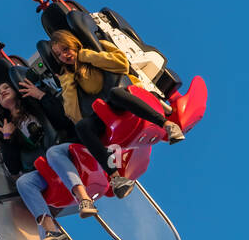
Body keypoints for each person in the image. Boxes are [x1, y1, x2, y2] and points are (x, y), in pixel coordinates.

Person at [49, 29, 184, 198]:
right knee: (82, 127)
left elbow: (122, 64)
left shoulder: (98, 46)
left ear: (73, 44)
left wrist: (86, 56)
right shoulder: (69, 76)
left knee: (115, 93)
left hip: (126, 95)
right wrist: (67, 81)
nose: (64, 55)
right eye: (59, 54)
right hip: (105, 113)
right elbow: (74, 115)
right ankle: (116, 178)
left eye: (66, 49)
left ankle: (168, 125)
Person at [0, 77, 76, 240]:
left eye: (6, 87)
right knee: (24, 182)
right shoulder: (8, 128)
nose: (2, 92)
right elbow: (13, 167)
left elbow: (62, 119)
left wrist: (41, 96)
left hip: (65, 154)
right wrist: (7, 137)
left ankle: (84, 200)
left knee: (53, 153)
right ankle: (51, 231)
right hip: (48, 169)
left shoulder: (34, 107)